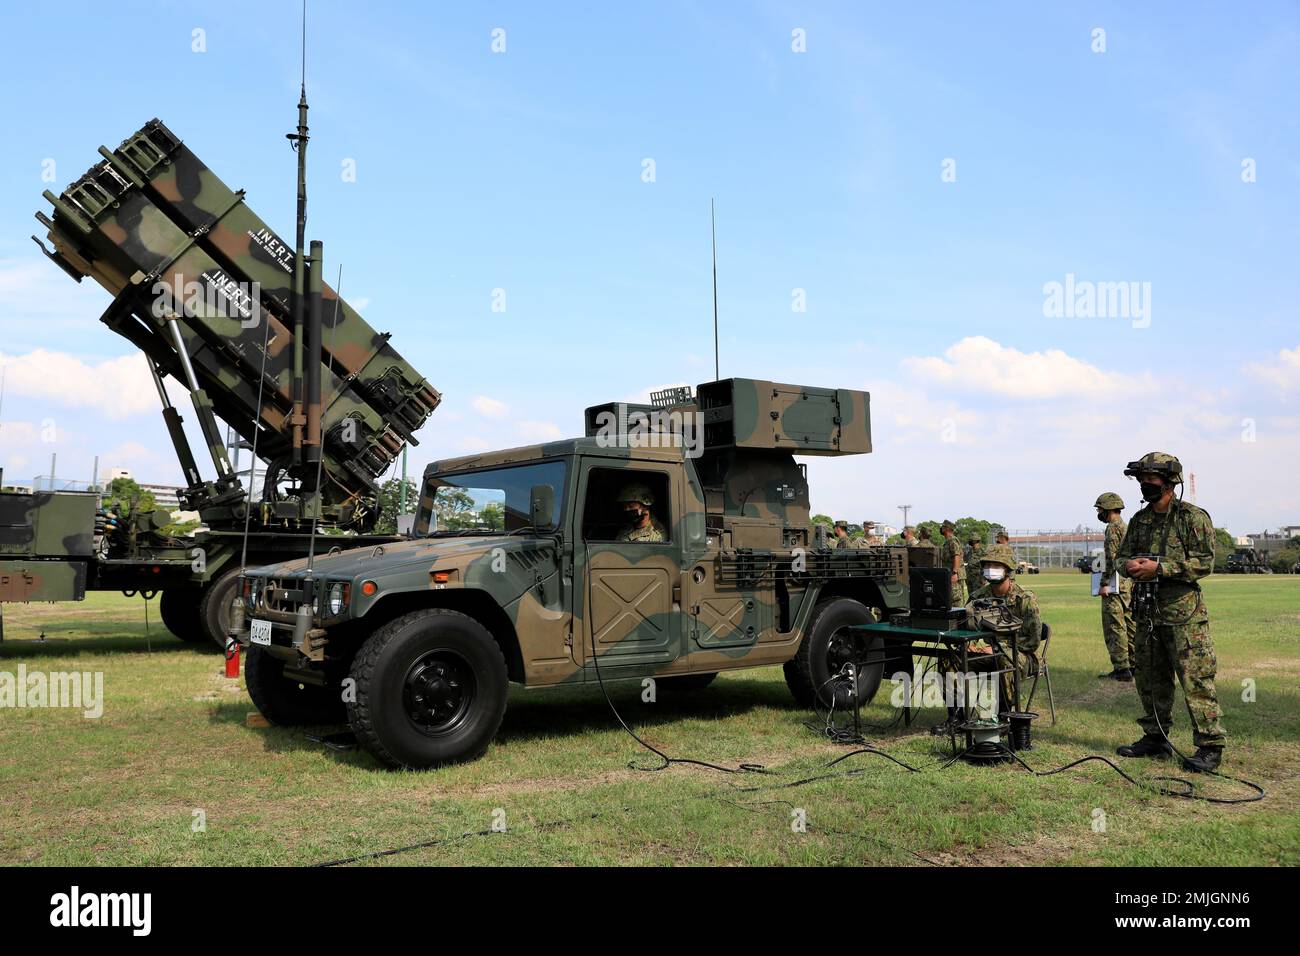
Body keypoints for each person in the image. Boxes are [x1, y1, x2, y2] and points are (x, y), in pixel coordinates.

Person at [1114, 452, 1225, 773]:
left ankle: (1210, 746)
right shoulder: (1139, 520)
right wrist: (1130, 566)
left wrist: (1160, 568)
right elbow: (1121, 558)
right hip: (1146, 613)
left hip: (1184, 616)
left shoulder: (1192, 517)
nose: (1145, 485)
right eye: (1141, 480)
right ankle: (1155, 738)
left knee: (1196, 680)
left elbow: (1205, 562)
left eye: (1151, 479)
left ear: (1169, 482)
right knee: (1150, 679)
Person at [933, 544, 1041, 732]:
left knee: (1004, 660)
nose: (991, 569)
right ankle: (958, 717)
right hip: (985, 654)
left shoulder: (1024, 599)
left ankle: (1004, 718)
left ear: (1008, 569)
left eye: (996, 565)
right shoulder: (977, 598)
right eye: (988, 565)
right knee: (948, 659)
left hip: (1019, 655)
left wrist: (999, 647)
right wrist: (970, 644)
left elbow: (1032, 640)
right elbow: (966, 627)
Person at [1095, 491, 1136, 681]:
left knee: (1114, 626)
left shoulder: (1112, 528)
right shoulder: (1125, 527)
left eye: (1100, 510)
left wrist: (1104, 583)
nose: (1099, 513)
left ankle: (1121, 668)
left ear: (1107, 509)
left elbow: (1112, 559)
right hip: (1128, 583)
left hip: (1115, 584)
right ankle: (1135, 665)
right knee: (1130, 624)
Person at [939, 519, 965, 603]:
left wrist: (954, 573)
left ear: (947, 528)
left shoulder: (952, 540)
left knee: (956, 599)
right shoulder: (947, 541)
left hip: (954, 575)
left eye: (943, 527)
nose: (941, 528)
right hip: (950, 573)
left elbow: (956, 556)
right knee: (950, 598)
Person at [964, 534, 986, 598]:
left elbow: (985, 567)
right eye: (971, 543)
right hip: (969, 579)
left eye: (974, 542)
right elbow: (967, 563)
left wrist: (983, 579)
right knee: (971, 597)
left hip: (978, 580)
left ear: (978, 542)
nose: (973, 545)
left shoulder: (983, 553)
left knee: (978, 597)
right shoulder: (969, 552)